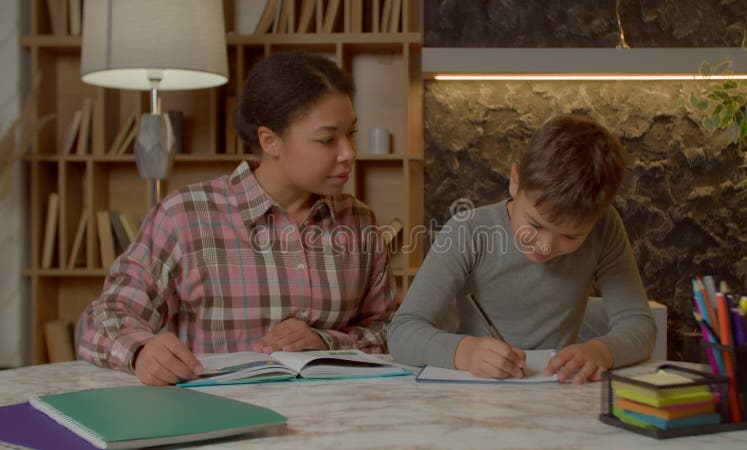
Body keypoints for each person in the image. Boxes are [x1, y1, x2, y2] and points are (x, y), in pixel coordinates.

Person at [77, 51, 398, 386]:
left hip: (341, 424)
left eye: (351, 134)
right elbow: (104, 319)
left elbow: (393, 330)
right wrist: (141, 352)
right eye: (327, 140)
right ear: (270, 141)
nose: (348, 153)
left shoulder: (358, 220)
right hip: (219, 419)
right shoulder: (185, 216)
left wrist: (327, 342)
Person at [388, 114, 656, 384]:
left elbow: (639, 325)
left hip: (558, 394)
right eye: (534, 224)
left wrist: (600, 352)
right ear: (515, 181)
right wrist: (466, 352)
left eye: (571, 236)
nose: (545, 246)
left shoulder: (605, 227)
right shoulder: (468, 230)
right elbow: (402, 332)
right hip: (476, 397)